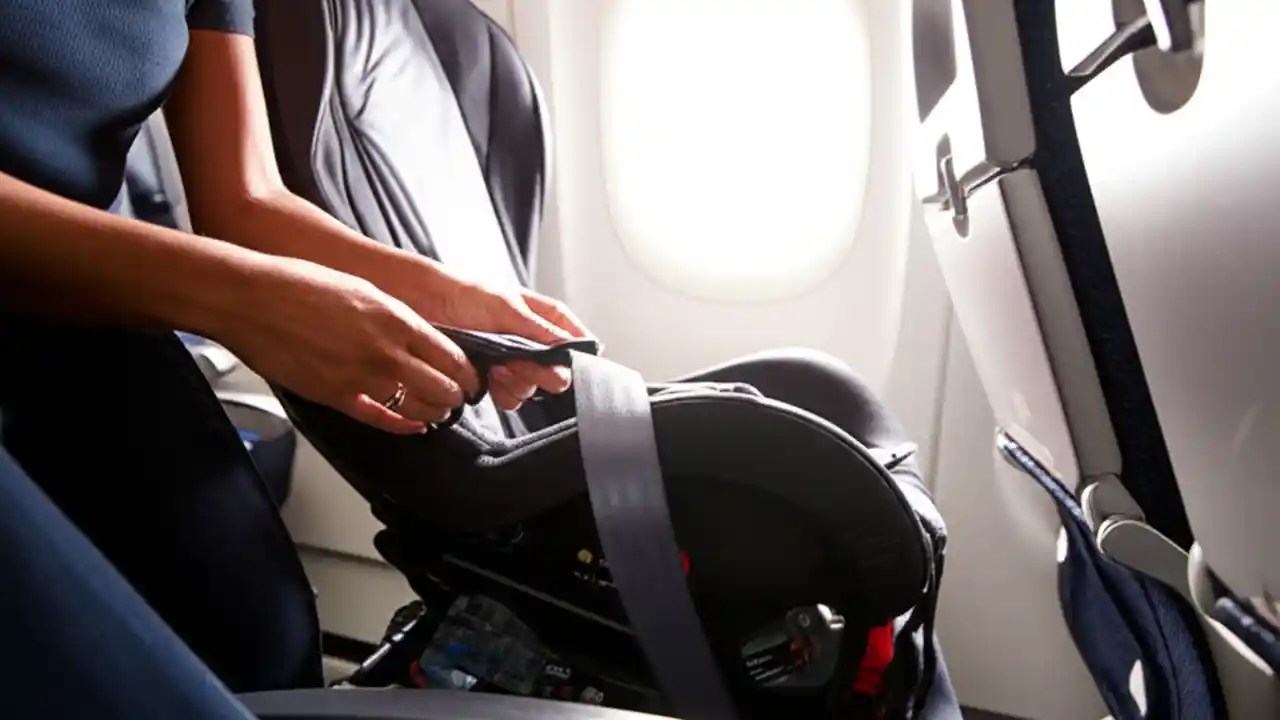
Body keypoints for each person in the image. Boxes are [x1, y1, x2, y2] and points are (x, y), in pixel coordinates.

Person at [0, 0, 587, 692]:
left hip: (88, 308)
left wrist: (453, 301)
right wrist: (239, 300)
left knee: (256, 638)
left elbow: (245, 201)